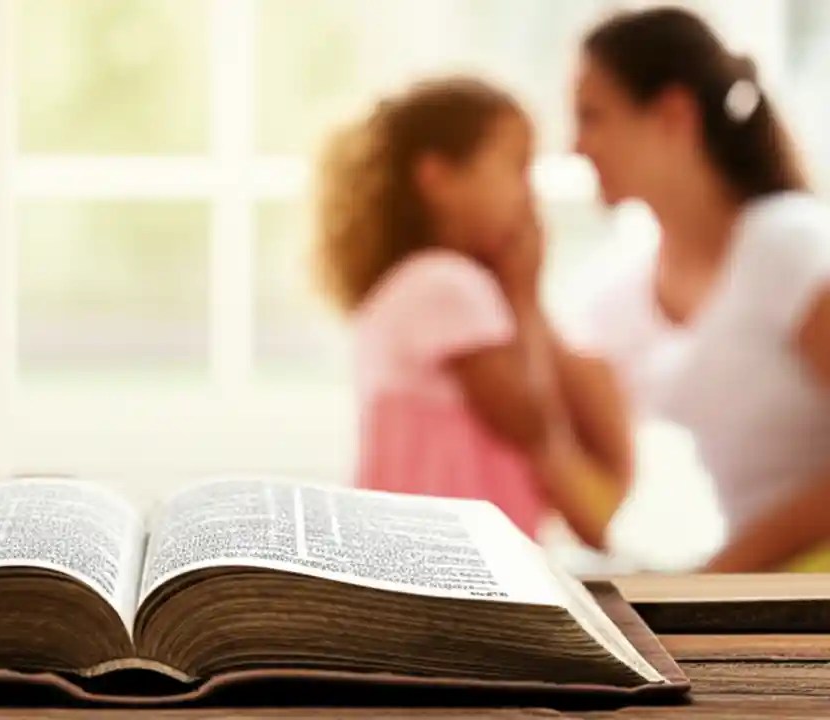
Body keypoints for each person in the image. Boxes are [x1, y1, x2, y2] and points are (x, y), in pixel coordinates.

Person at [567, 7, 830, 571]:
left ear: (673, 115)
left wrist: (722, 572)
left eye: (593, 117)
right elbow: (604, 494)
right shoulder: (614, 294)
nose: (577, 147)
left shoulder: (790, 246)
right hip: (721, 596)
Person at [314, 77, 631, 544]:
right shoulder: (448, 285)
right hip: (460, 567)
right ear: (438, 179)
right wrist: (524, 296)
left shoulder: (411, 285)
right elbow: (530, 420)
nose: (529, 195)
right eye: (517, 167)